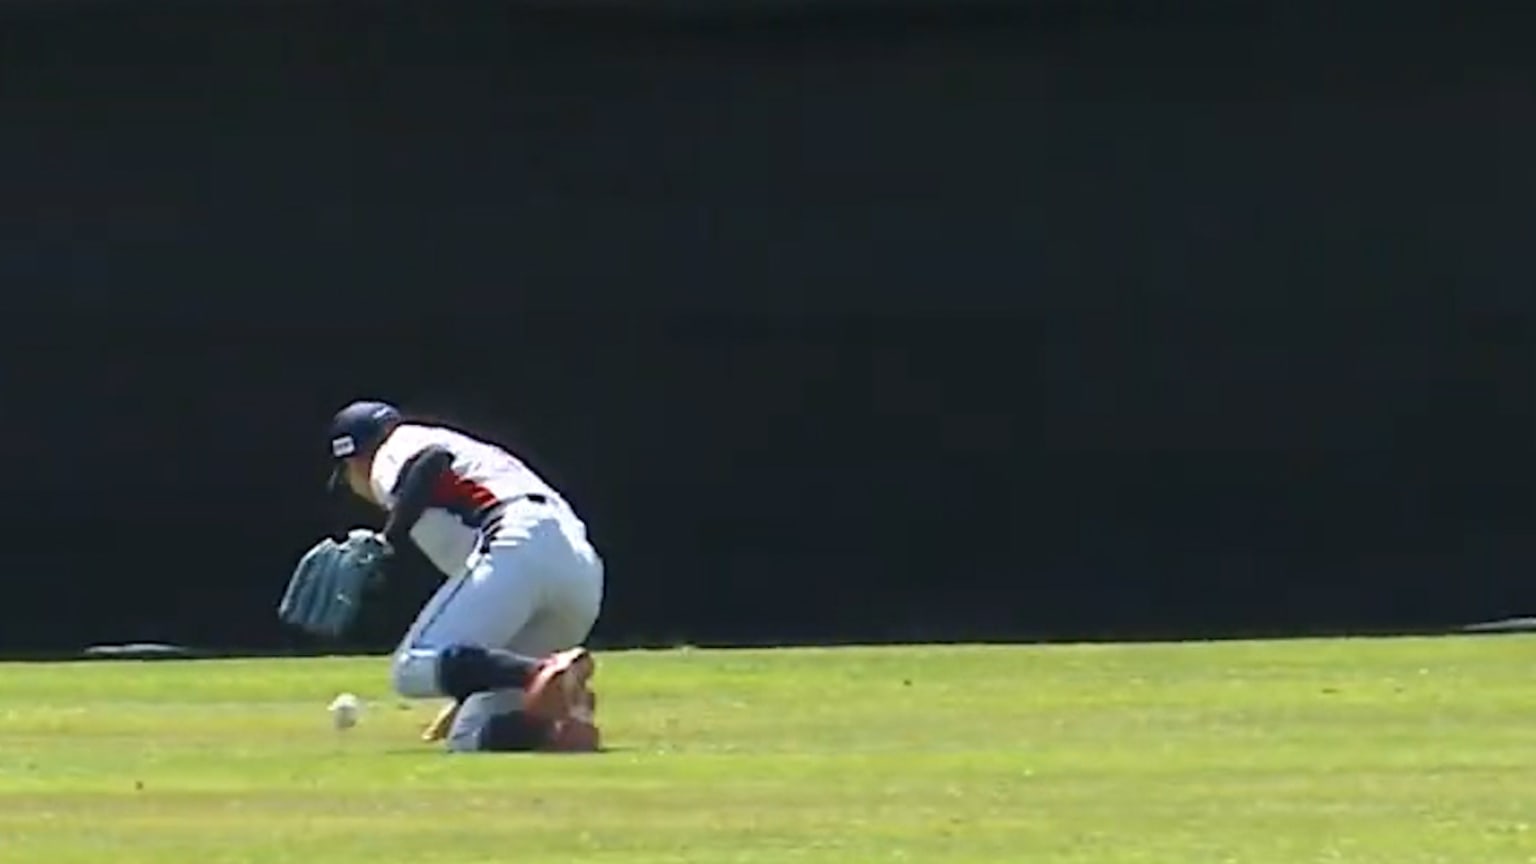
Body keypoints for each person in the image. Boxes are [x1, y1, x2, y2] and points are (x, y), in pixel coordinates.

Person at [324, 399, 605, 752]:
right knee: (468, 733)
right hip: (579, 570)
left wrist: (387, 540)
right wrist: (465, 689)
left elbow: (429, 462)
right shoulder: (474, 453)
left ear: (354, 460)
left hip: (516, 538)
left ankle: (539, 672)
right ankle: (557, 726)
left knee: (410, 668)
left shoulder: (394, 446)